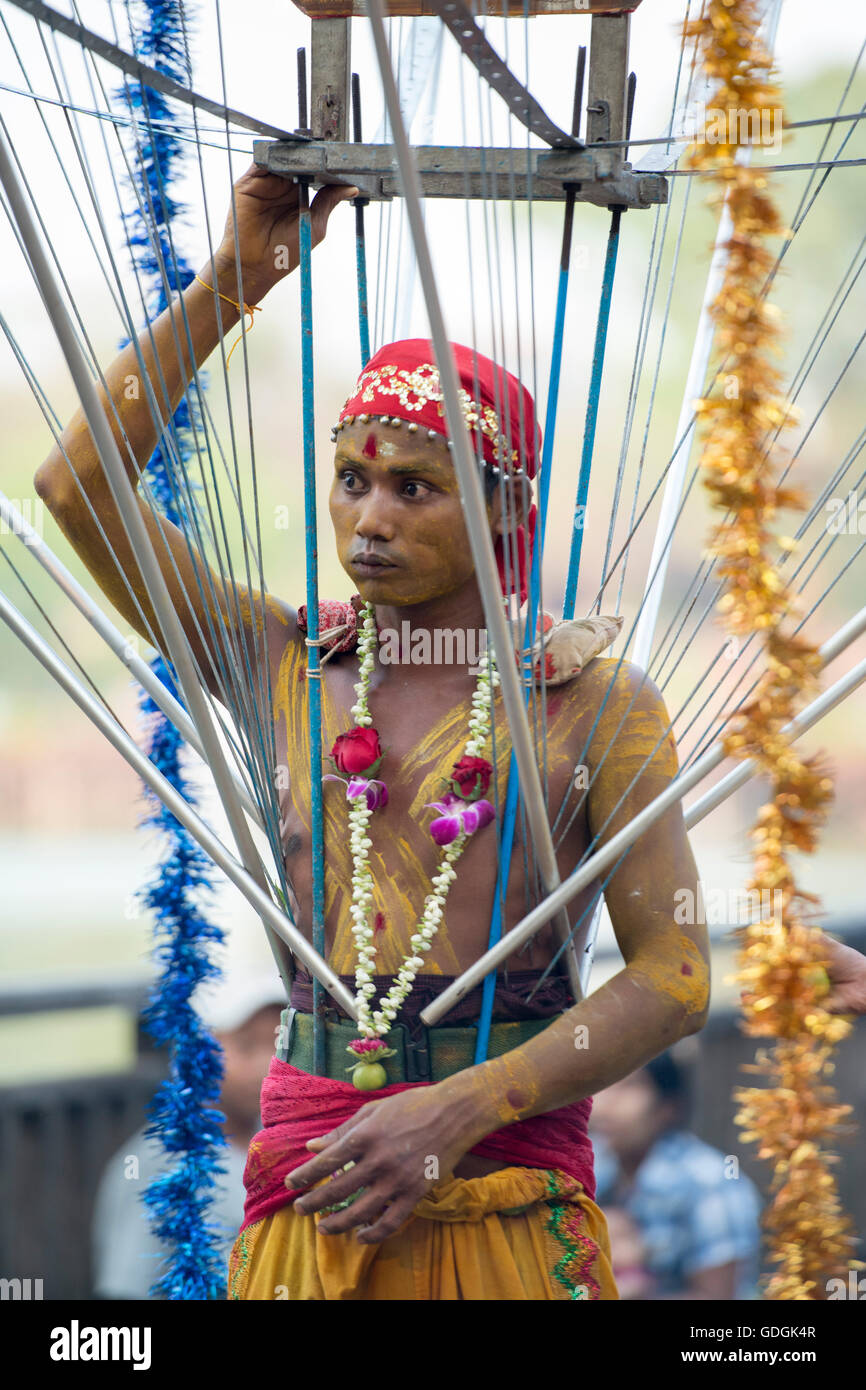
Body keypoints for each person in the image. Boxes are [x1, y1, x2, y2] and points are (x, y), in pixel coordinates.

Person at [35, 163, 859, 1302]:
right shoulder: (280, 662)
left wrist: (461, 1105)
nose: (367, 519)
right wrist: (236, 278)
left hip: (504, 1209)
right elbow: (76, 485)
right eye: (349, 480)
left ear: (505, 509)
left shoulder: (591, 702)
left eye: (415, 488)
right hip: (310, 1201)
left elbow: (670, 979)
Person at [91, 972, 284, 1298]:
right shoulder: (159, 1163)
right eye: (246, 1046)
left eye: (278, 1044)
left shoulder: (274, 1142)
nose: (266, 1066)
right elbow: (126, 1288)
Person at [591, 1051, 763, 1300]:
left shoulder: (710, 1181)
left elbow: (716, 1297)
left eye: (628, 1086)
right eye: (602, 1085)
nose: (604, 1104)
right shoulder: (594, 1164)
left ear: (667, 1107)